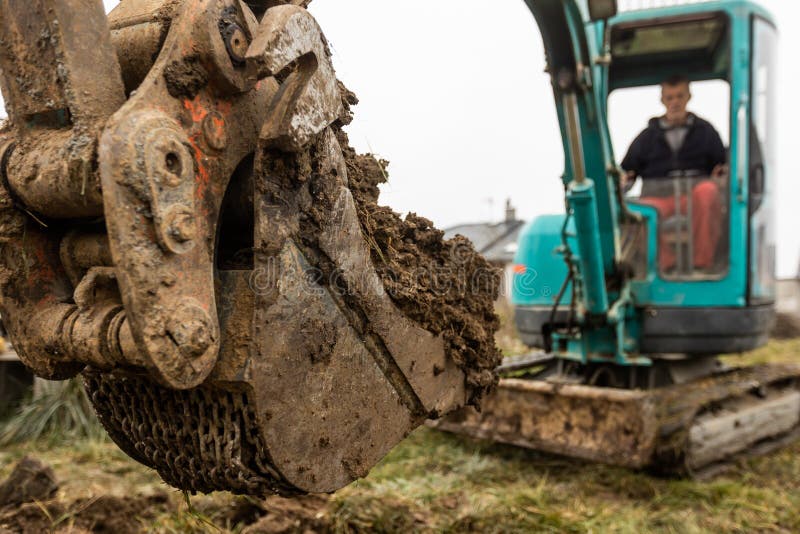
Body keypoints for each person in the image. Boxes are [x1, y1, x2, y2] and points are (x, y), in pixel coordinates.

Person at [621, 74, 726, 272]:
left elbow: (721, 165)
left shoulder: (706, 132)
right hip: (658, 199)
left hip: (693, 196)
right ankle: (665, 266)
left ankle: (701, 266)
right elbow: (627, 171)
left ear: (688, 97)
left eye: (679, 96)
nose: (675, 102)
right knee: (637, 211)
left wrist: (722, 175)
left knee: (708, 192)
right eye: (670, 98)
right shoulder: (646, 137)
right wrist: (623, 181)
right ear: (662, 100)